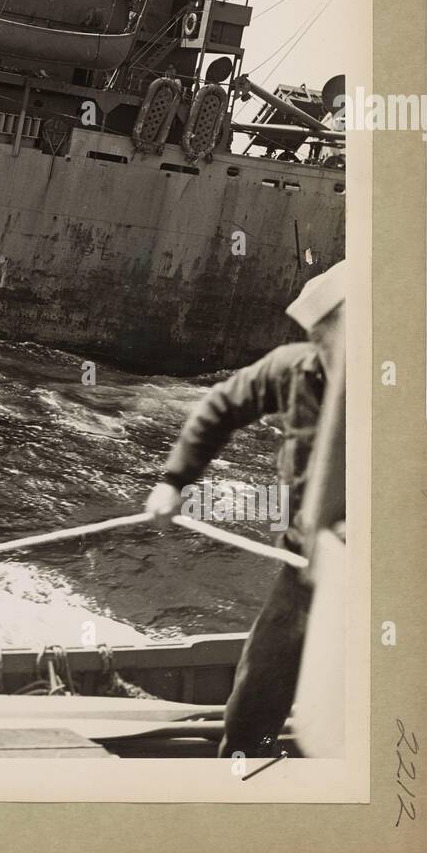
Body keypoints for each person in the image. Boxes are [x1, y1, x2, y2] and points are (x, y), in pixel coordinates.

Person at [145, 260, 346, 758]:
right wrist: (173, 482)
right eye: (320, 332)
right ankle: (242, 770)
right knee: (263, 679)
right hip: (302, 568)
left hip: (374, 577)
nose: (324, 341)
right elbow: (219, 406)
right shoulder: (293, 368)